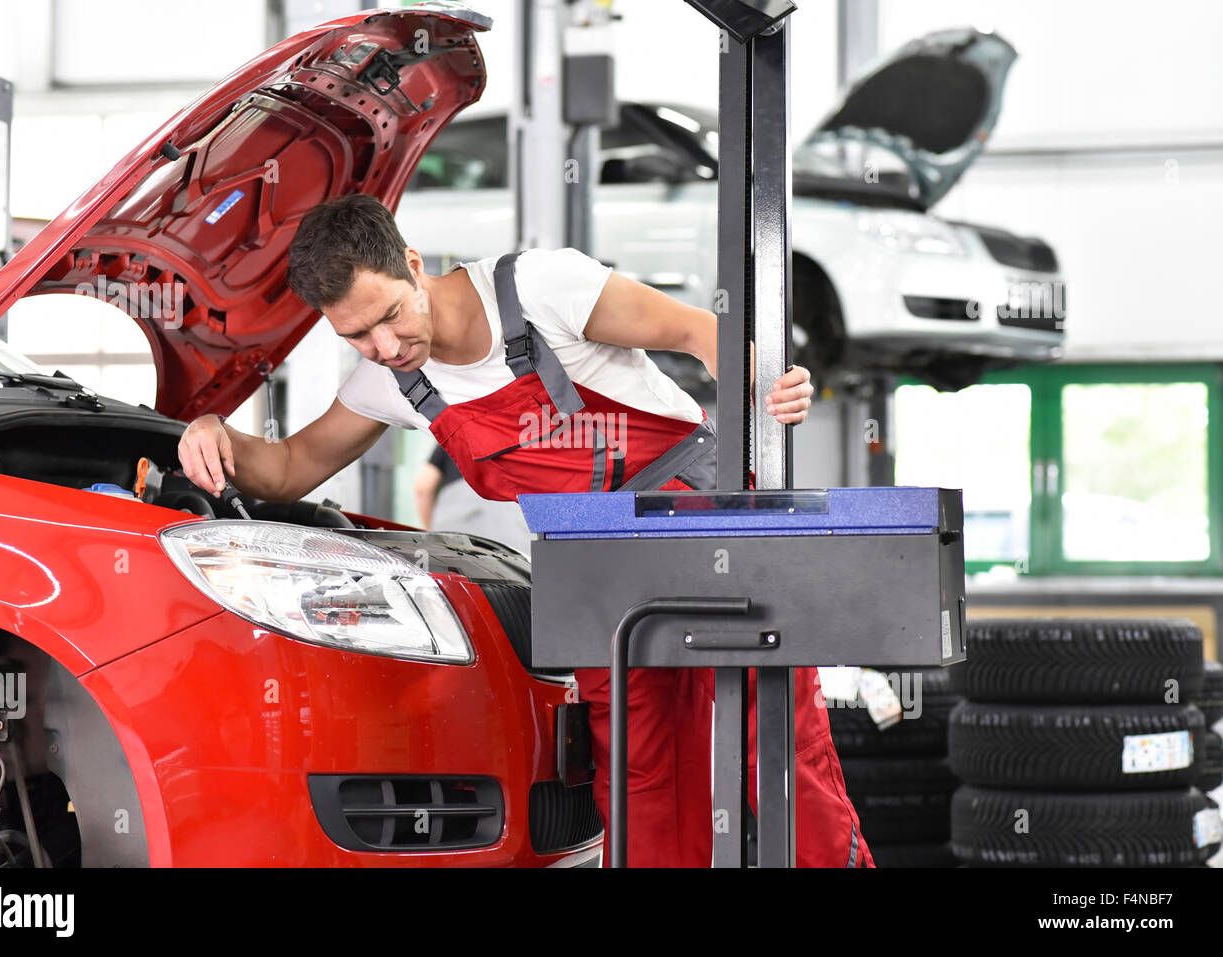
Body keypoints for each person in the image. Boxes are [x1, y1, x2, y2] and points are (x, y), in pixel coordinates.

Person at [177, 192, 872, 868]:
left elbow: (699, 333)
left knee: (769, 740)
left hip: (697, 510)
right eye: (356, 334)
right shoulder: (390, 381)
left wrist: (766, 381)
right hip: (591, 567)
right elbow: (292, 465)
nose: (383, 346)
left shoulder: (541, 286)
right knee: (639, 775)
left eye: (389, 315)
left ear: (413, 265)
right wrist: (214, 433)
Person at [414, 444, 533, 555]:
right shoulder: (523, 434)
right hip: (511, 527)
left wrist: (432, 528)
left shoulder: (453, 433)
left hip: (455, 527)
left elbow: (423, 487)